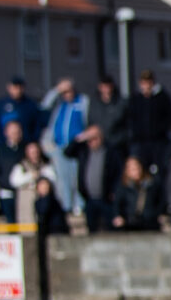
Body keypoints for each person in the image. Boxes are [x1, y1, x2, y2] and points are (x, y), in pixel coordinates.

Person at [41, 76, 88, 215]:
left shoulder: (82, 102)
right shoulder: (60, 105)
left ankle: (79, 205)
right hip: (60, 148)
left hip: (76, 147)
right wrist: (56, 90)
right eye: (64, 92)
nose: (67, 94)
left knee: (76, 178)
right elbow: (45, 105)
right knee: (63, 179)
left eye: (69, 91)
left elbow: (87, 120)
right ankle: (66, 206)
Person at [64, 124, 123, 232]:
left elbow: (118, 173)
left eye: (95, 138)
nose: (92, 142)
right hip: (89, 200)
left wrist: (114, 191)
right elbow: (67, 152)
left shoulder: (110, 152)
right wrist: (82, 137)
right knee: (92, 229)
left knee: (111, 229)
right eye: (89, 139)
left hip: (106, 199)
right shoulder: (84, 152)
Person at [126, 69, 171, 174]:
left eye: (149, 82)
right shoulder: (136, 99)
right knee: (142, 170)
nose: (146, 85)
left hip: (159, 142)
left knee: (160, 169)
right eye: (144, 82)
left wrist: (161, 129)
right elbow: (130, 119)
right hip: (141, 142)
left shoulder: (162, 97)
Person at [0, 120, 27, 223]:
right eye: (12, 132)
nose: (15, 135)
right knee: (9, 220)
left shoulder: (25, 148)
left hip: (23, 191)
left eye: (17, 132)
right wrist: (5, 183)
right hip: (5, 191)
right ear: (6, 133)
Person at [0, 75, 41, 153]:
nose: (18, 91)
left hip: (25, 145)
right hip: (6, 146)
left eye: (20, 88)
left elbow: (37, 125)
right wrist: (1, 142)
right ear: (9, 88)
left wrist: (32, 141)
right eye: (15, 87)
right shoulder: (1, 104)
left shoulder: (30, 104)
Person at [9, 141, 55, 228]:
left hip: (42, 198)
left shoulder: (45, 165)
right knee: (27, 222)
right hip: (26, 198)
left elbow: (53, 178)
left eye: (36, 152)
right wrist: (30, 176)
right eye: (32, 152)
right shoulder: (21, 166)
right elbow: (14, 181)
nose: (34, 154)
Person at [111, 156, 162, 231]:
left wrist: (156, 214)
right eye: (132, 169)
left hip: (149, 224)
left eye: (137, 167)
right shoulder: (123, 186)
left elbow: (159, 200)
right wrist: (118, 216)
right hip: (129, 225)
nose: (136, 171)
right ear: (127, 171)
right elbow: (117, 204)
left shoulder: (151, 184)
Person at [86, 76, 128, 153]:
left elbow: (126, 125)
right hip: (99, 146)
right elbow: (90, 122)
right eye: (104, 86)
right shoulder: (94, 103)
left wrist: (118, 139)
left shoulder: (121, 103)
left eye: (108, 86)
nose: (106, 89)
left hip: (116, 145)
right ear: (100, 87)